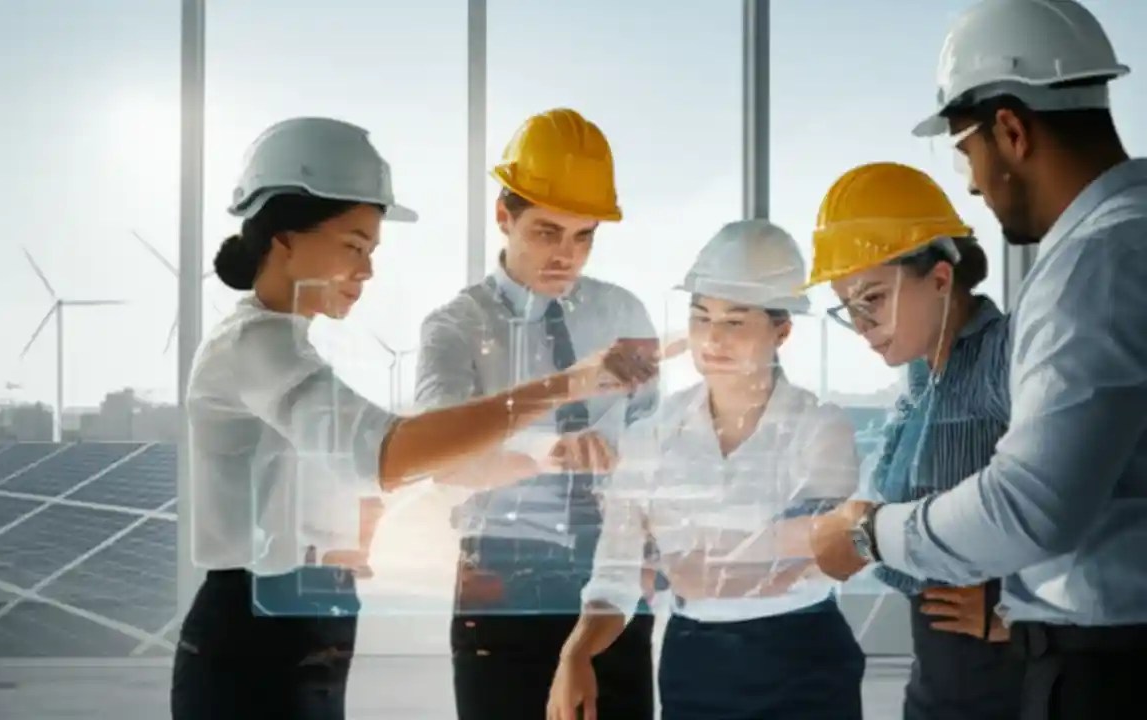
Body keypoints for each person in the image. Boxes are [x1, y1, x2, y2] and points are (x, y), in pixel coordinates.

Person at [170, 116, 659, 720]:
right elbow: (386, 453)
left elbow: (358, 465)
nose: (368, 271)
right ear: (283, 237)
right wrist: (568, 388)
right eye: (353, 246)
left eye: (371, 250)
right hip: (256, 628)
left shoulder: (290, 345)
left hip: (312, 617)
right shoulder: (255, 345)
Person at [808, 2, 1147, 718]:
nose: (970, 182)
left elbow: (1030, 506)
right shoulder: (1113, 250)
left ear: (1010, 130)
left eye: (965, 151)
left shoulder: (1097, 263)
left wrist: (869, 531)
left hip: (1100, 664)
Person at [548, 220, 865, 720]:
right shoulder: (650, 436)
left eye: (735, 322)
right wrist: (577, 651)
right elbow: (617, 574)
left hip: (803, 656)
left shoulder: (821, 428)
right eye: (701, 318)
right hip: (695, 661)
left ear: (782, 330)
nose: (712, 339)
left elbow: (821, 550)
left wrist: (692, 563)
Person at [414, 108, 662, 720]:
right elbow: (440, 461)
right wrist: (542, 454)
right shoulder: (455, 328)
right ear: (505, 217)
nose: (566, 257)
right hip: (503, 573)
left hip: (610, 565)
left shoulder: (623, 312)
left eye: (583, 237)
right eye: (547, 232)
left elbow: (656, 437)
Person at [803, 161, 1024, 719]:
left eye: (872, 299)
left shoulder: (1011, 357)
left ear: (941, 279)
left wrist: (1016, 608)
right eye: (847, 306)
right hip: (937, 679)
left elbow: (1095, 499)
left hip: (1011, 681)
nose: (859, 325)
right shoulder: (921, 377)